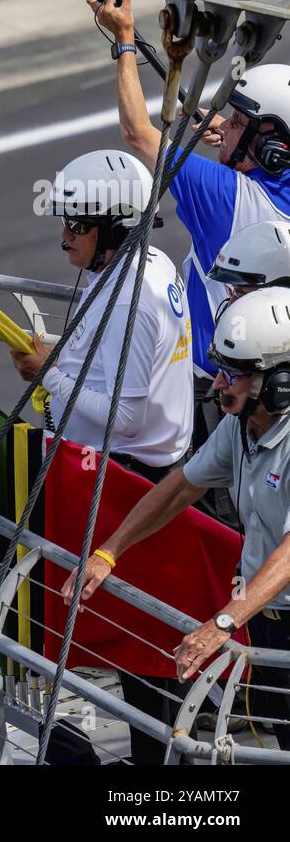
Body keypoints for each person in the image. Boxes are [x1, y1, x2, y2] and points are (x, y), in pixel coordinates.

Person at [8, 148, 192, 764]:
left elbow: (126, 414)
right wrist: (57, 356)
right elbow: (107, 362)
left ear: (113, 229)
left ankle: (157, 782)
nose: (64, 236)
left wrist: (46, 375)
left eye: (77, 225)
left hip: (132, 484)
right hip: (139, 474)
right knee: (139, 647)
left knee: (142, 649)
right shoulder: (140, 265)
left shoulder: (131, 296)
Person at [91, 0, 290, 526]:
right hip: (274, 389)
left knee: (221, 531)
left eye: (237, 120)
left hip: (221, 394)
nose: (221, 124)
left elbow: (138, 133)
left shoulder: (229, 199)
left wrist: (125, 43)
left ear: (271, 145)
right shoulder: (264, 192)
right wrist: (231, 134)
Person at [67, 287, 290, 750]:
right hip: (267, 621)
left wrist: (221, 624)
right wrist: (109, 551)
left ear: (279, 384)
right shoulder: (242, 426)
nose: (217, 384)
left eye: (234, 373)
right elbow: (181, 487)